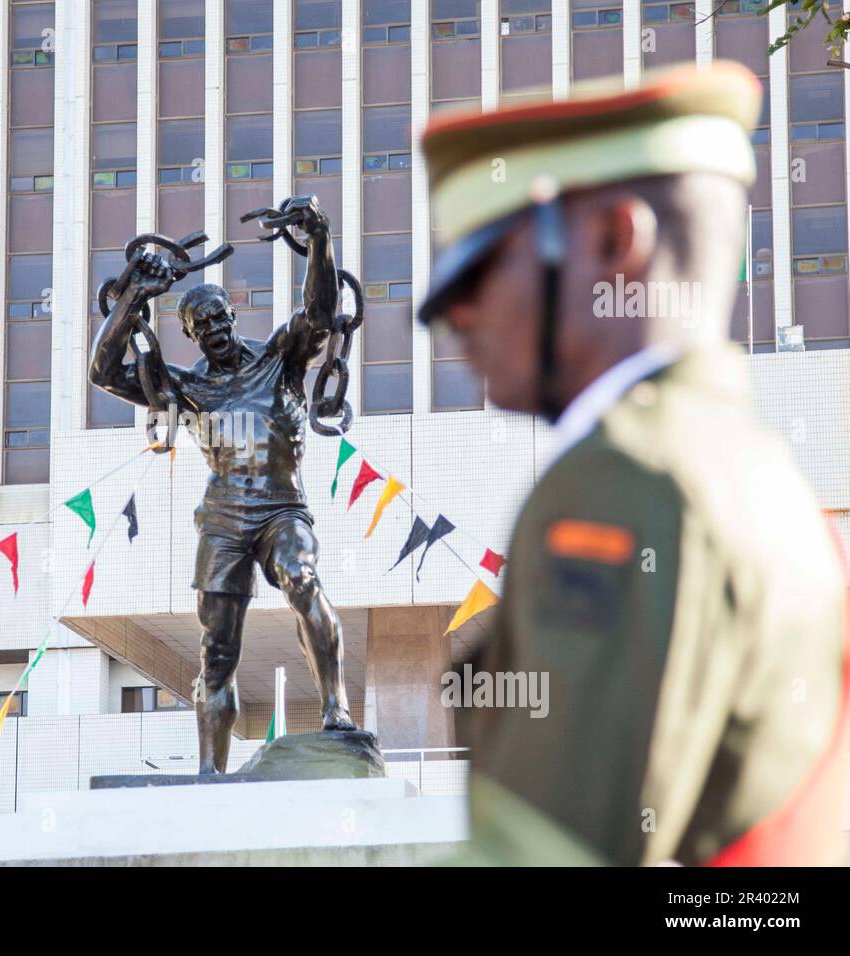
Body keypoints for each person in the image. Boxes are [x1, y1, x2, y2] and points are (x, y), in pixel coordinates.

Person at [417, 62, 849, 865]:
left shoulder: (624, 480)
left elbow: (539, 855)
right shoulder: (748, 470)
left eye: (480, 267)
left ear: (616, 239)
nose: (449, 313)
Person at [89, 196, 356, 774]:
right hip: (224, 517)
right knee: (217, 653)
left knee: (303, 578)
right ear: (188, 333)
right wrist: (135, 295)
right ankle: (211, 770)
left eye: (216, 317)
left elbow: (320, 314)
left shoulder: (280, 360)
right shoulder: (184, 386)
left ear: (232, 316)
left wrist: (319, 241)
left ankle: (336, 707)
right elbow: (104, 373)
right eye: (197, 323)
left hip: (283, 508)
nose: (210, 328)